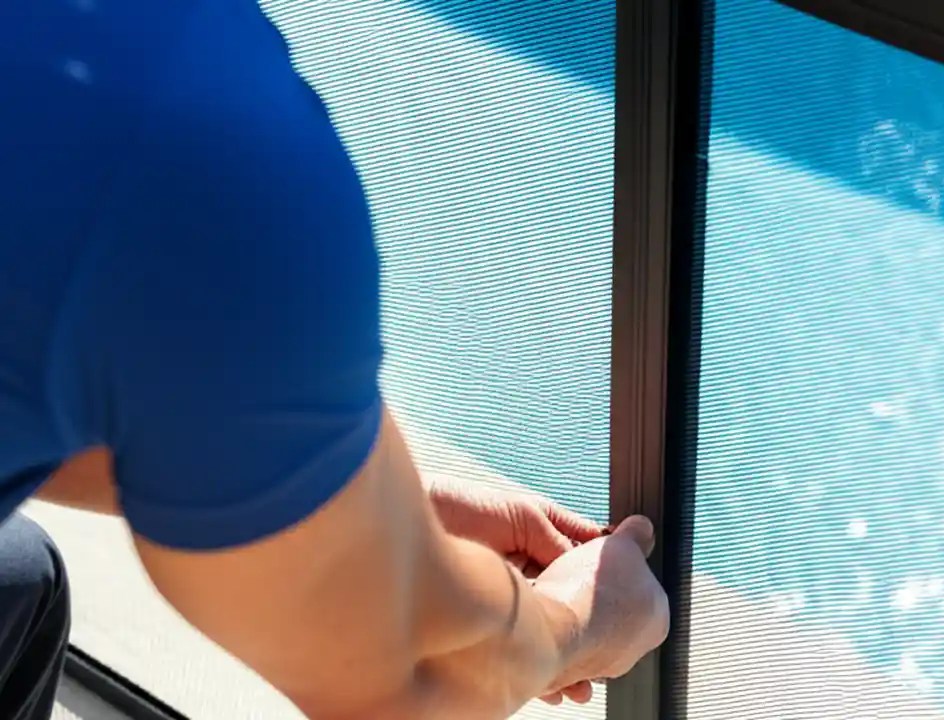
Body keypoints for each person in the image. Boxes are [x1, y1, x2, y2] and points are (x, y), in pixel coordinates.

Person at [0, 0, 670, 717]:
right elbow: (414, 681)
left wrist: (355, 504)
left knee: (24, 574)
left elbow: (43, 363)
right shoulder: (202, 147)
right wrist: (582, 618)